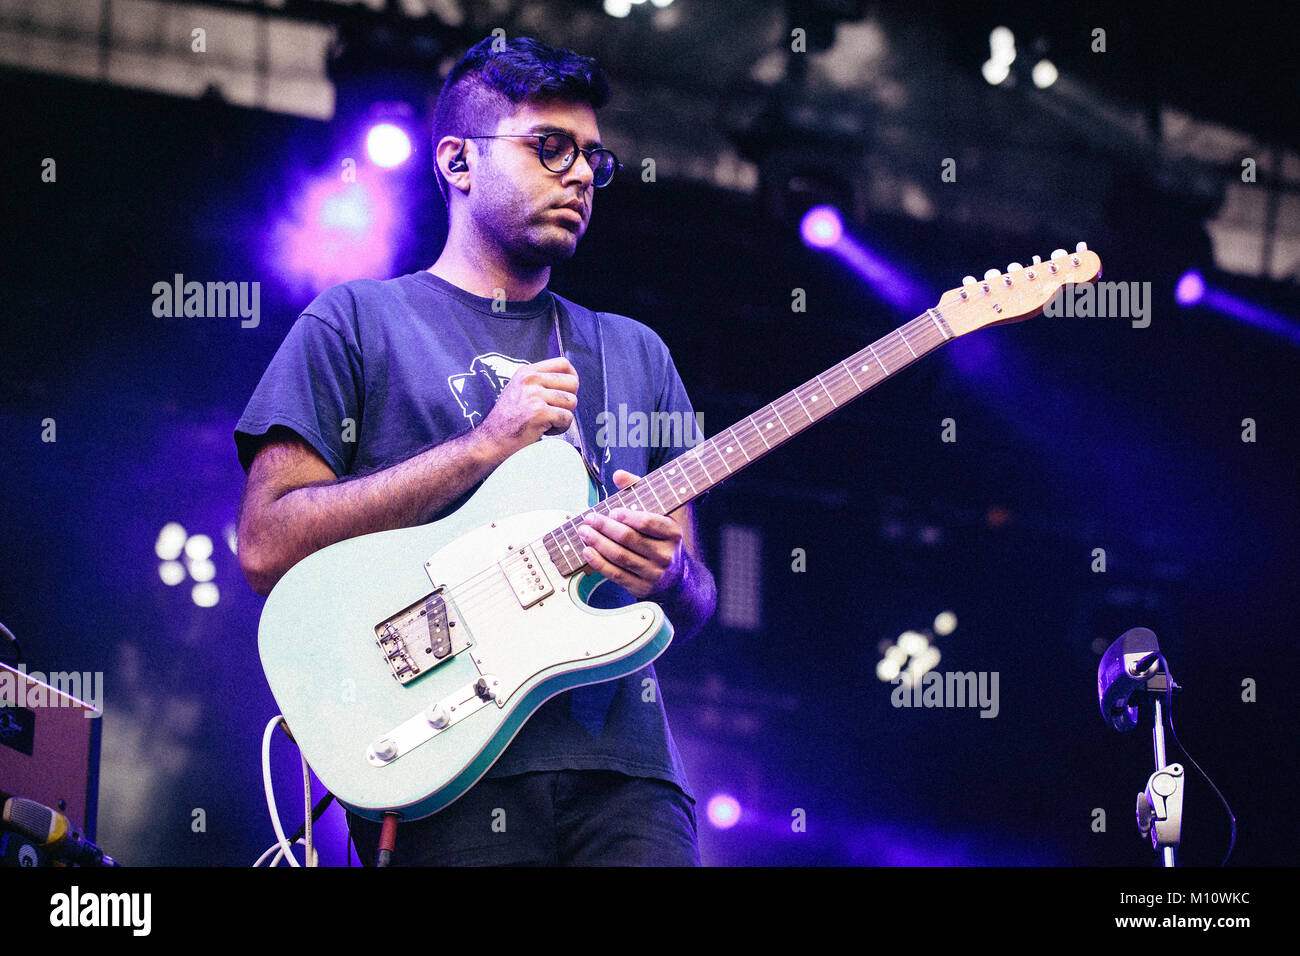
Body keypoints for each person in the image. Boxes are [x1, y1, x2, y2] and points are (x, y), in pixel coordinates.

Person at [233, 35, 716, 866]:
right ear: (457, 162)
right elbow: (266, 544)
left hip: (627, 777)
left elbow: (696, 599)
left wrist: (667, 574)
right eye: (549, 147)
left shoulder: (641, 354)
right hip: (439, 763)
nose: (577, 176)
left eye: (592, 160)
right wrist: (482, 447)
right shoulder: (355, 322)